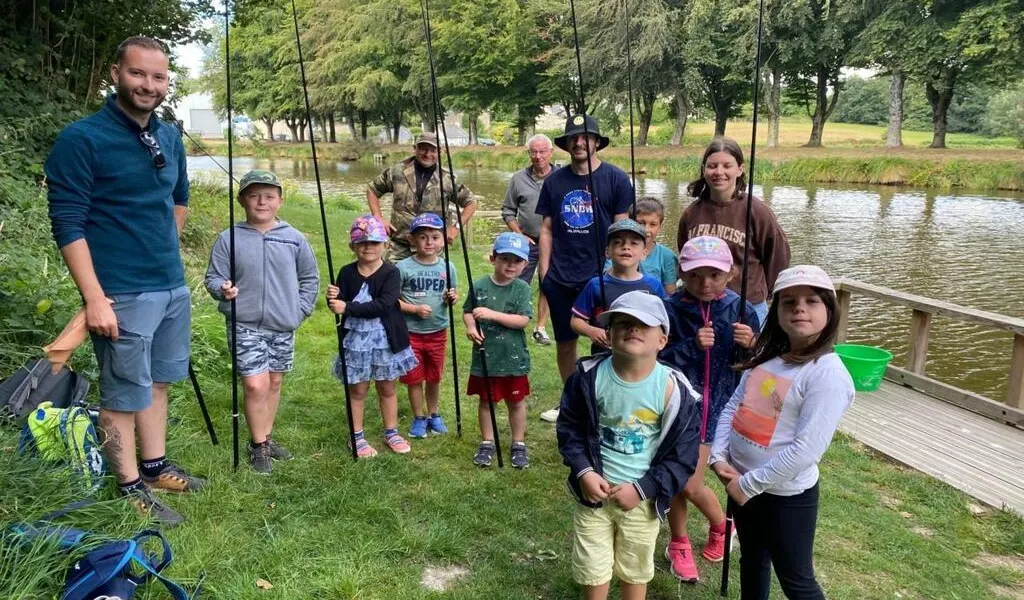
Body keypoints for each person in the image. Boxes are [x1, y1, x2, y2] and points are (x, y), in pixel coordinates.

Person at [46, 36, 203, 526]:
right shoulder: (82, 139)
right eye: (138, 74)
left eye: (158, 78)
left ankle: (155, 467)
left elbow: (179, 197)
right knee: (122, 393)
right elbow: (68, 223)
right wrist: (94, 298)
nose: (148, 85)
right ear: (115, 73)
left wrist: (163, 246)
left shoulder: (170, 136)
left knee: (158, 381)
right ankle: (130, 485)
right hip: (121, 292)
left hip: (171, 285)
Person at [710, 265, 855, 600]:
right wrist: (719, 457)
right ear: (775, 311)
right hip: (741, 484)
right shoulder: (767, 356)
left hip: (785, 496)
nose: (799, 308)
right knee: (752, 560)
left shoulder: (826, 375)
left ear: (830, 311)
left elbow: (806, 451)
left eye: (811, 301)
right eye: (788, 302)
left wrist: (747, 485)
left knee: (796, 581)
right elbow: (733, 407)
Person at [556, 291, 701, 600]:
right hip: (593, 495)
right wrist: (583, 471)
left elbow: (683, 457)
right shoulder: (587, 377)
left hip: (643, 503)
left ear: (662, 340)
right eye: (623, 322)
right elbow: (569, 428)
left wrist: (643, 488)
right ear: (608, 334)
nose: (632, 328)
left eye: (643, 324)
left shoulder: (675, 392)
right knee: (592, 564)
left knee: (635, 566)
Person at [203, 170, 319, 474]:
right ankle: (258, 446)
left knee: (274, 382)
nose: (261, 202)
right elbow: (213, 277)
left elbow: (309, 279)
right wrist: (221, 289)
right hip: (244, 323)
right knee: (255, 385)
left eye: (269, 196)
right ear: (242, 200)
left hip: (283, 324)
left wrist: (299, 311)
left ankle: (265, 437)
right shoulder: (228, 238)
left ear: (280, 200)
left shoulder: (294, 239)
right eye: (254, 195)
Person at [659, 236, 759, 582]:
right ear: (683, 274)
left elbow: (754, 367)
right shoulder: (670, 308)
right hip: (676, 407)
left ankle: (721, 526)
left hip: (716, 409)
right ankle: (680, 541)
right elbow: (655, 358)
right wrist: (690, 345)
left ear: (730, 274)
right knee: (676, 480)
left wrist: (752, 346)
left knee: (688, 483)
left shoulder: (741, 308)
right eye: (696, 275)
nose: (706, 283)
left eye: (714, 275)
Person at [537, 114, 633, 422]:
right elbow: (547, 229)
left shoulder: (617, 179)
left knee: (605, 343)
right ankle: (571, 400)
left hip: (601, 279)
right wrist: (544, 272)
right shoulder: (554, 181)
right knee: (565, 344)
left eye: (586, 137)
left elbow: (622, 229)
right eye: (574, 138)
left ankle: (604, 402)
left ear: (596, 142)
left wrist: (617, 270)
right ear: (566, 145)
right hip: (561, 278)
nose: (580, 142)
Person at [327, 215, 418, 458]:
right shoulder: (346, 272)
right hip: (356, 342)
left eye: (375, 242)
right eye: (362, 243)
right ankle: (356, 436)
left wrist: (346, 307)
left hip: (386, 340)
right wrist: (333, 299)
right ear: (353, 246)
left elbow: (385, 305)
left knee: (387, 388)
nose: (368, 247)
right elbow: (339, 304)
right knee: (357, 390)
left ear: (385, 245)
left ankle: (391, 432)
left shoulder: (391, 273)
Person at [676, 137, 790, 328]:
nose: (719, 172)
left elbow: (777, 258)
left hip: (749, 307)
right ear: (704, 169)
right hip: (703, 307)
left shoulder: (757, 211)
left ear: (740, 169)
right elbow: (685, 258)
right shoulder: (691, 213)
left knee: (750, 357)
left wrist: (767, 293)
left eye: (727, 165)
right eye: (712, 166)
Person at [463, 232, 534, 469]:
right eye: (505, 259)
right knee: (486, 401)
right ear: (493, 259)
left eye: (517, 261)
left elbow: (523, 320)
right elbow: (467, 311)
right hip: (486, 357)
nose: (511, 265)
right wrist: (471, 326)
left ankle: (518, 443)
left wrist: (492, 314)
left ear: (525, 264)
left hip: (513, 359)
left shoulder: (522, 289)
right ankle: (487, 441)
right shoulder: (479, 285)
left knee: (516, 402)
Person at [367, 132, 478, 263]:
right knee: (392, 281)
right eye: (423, 148)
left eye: (433, 150)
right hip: (399, 247)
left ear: (440, 152)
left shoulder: (447, 179)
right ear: (415, 148)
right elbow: (372, 190)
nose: (427, 154)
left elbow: (471, 202)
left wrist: (456, 228)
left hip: (432, 250)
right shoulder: (397, 171)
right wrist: (378, 218)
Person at [397, 213, 459, 439]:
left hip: (438, 331)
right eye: (423, 237)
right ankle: (419, 417)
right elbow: (392, 300)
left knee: (434, 377)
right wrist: (414, 309)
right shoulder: (403, 267)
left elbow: (453, 294)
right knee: (414, 378)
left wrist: (452, 297)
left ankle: (434, 414)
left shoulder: (448, 267)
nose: (429, 242)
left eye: (435, 237)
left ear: (443, 240)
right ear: (412, 240)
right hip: (411, 333)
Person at [571, 219, 665, 355]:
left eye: (633, 243)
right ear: (607, 252)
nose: (626, 247)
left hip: (642, 356)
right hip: (604, 354)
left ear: (644, 253)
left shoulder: (654, 285)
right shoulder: (596, 284)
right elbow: (576, 321)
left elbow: (664, 321)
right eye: (617, 242)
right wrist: (592, 330)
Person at [501, 133, 554, 346]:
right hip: (527, 241)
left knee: (548, 283)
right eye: (534, 152)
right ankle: (510, 321)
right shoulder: (518, 179)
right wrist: (519, 234)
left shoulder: (561, 178)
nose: (538, 156)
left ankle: (540, 328)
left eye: (542, 151)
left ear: (551, 152)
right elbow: (507, 211)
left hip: (553, 243)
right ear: (528, 153)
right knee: (517, 281)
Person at [633, 197, 678, 295]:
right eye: (640, 223)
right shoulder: (620, 251)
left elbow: (670, 293)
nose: (646, 229)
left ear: (660, 228)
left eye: (653, 224)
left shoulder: (667, 256)